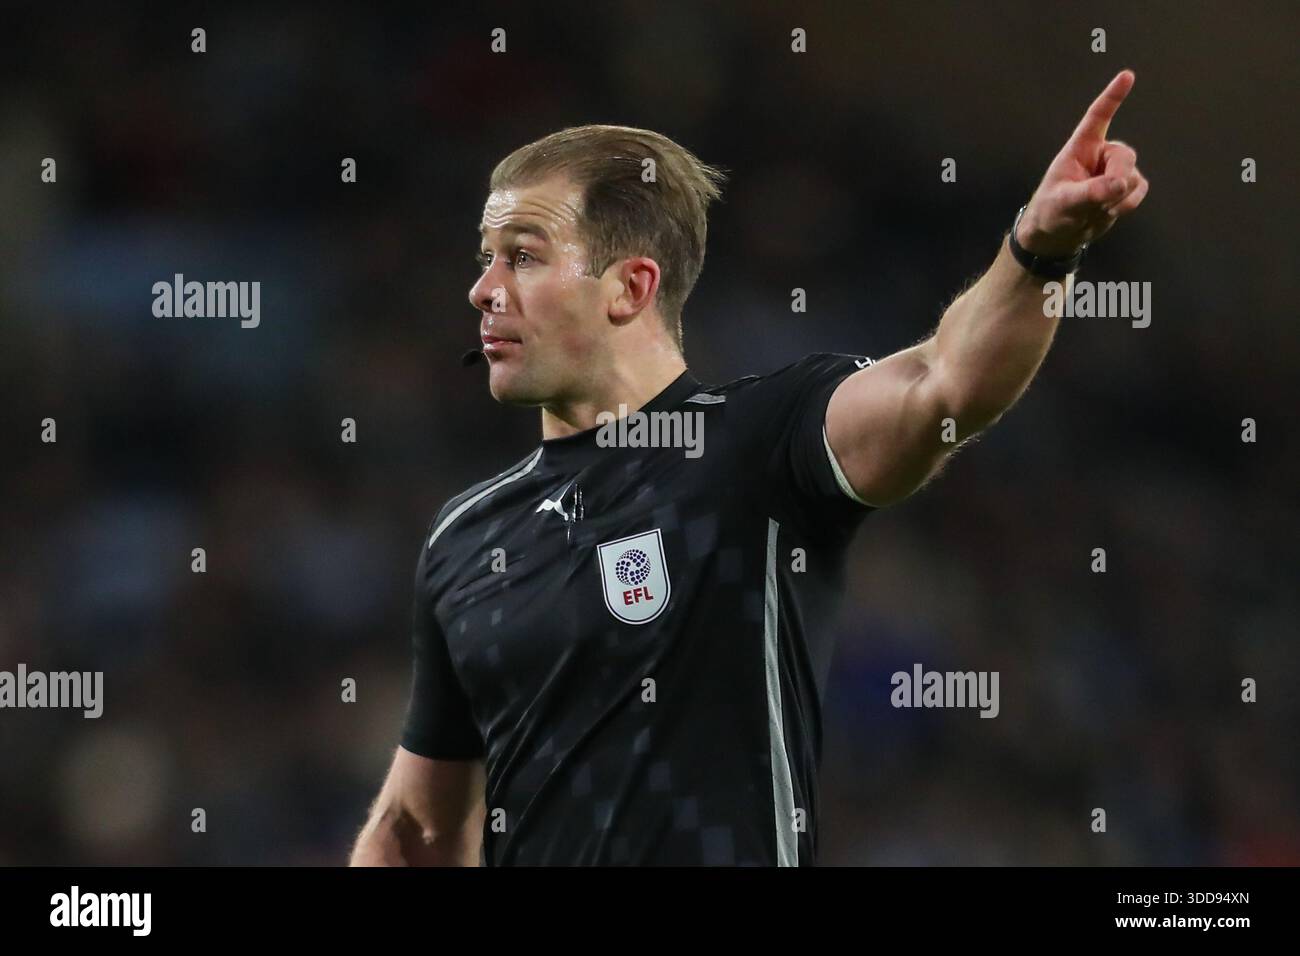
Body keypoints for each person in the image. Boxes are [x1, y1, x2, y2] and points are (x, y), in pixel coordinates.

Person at [350, 71, 1148, 865]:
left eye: (521, 256)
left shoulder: (756, 443)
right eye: (486, 258)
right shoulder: (466, 538)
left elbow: (945, 384)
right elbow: (414, 832)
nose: (482, 288)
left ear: (630, 287)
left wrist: (1039, 249)